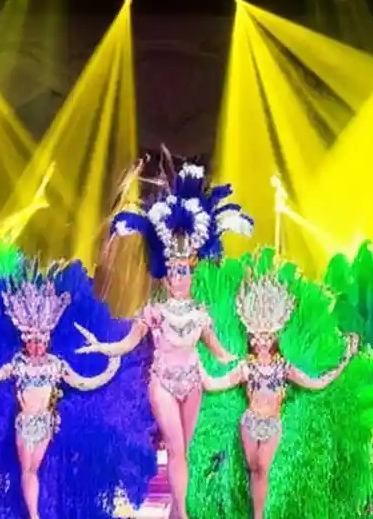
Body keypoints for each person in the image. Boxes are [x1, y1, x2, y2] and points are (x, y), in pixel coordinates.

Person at [0, 235, 157, 519]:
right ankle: (33, 514)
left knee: (40, 470)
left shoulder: (55, 365)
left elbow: (86, 382)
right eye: (31, 340)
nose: (36, 345)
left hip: (46, 424)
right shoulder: (18, 364)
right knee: (28, 471)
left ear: (46, 340)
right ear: (25, 341)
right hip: (23, 425)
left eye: (40, 340)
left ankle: (39, 510)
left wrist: (112, 362)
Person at [75, 157, 251, 519]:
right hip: (163, 384)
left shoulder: (202, 315)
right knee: (173, 446)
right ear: (165, 276)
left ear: (191, 273)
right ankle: (183, 515)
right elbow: (127, 344)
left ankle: (175, 510)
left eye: (184, 270)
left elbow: (218, 353)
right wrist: (101, 346)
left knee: (183, 450)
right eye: (173, 271)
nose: (179, 277)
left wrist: (252, 355)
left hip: (193, 383)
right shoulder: (153, 313)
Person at [202, 269, 359, 519]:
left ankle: (259, 516)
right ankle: (255, 508)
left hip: (273, 425)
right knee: (253, 469)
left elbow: (315, 384)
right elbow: (214, 384)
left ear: (274, 338)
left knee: (263, 467)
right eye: (258, 337)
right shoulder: (246, 367)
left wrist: (343, 362)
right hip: (249, 423)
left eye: (268, 337)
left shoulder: (283, 367)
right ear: (252, 339)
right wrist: (194, 363)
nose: (263, 342)